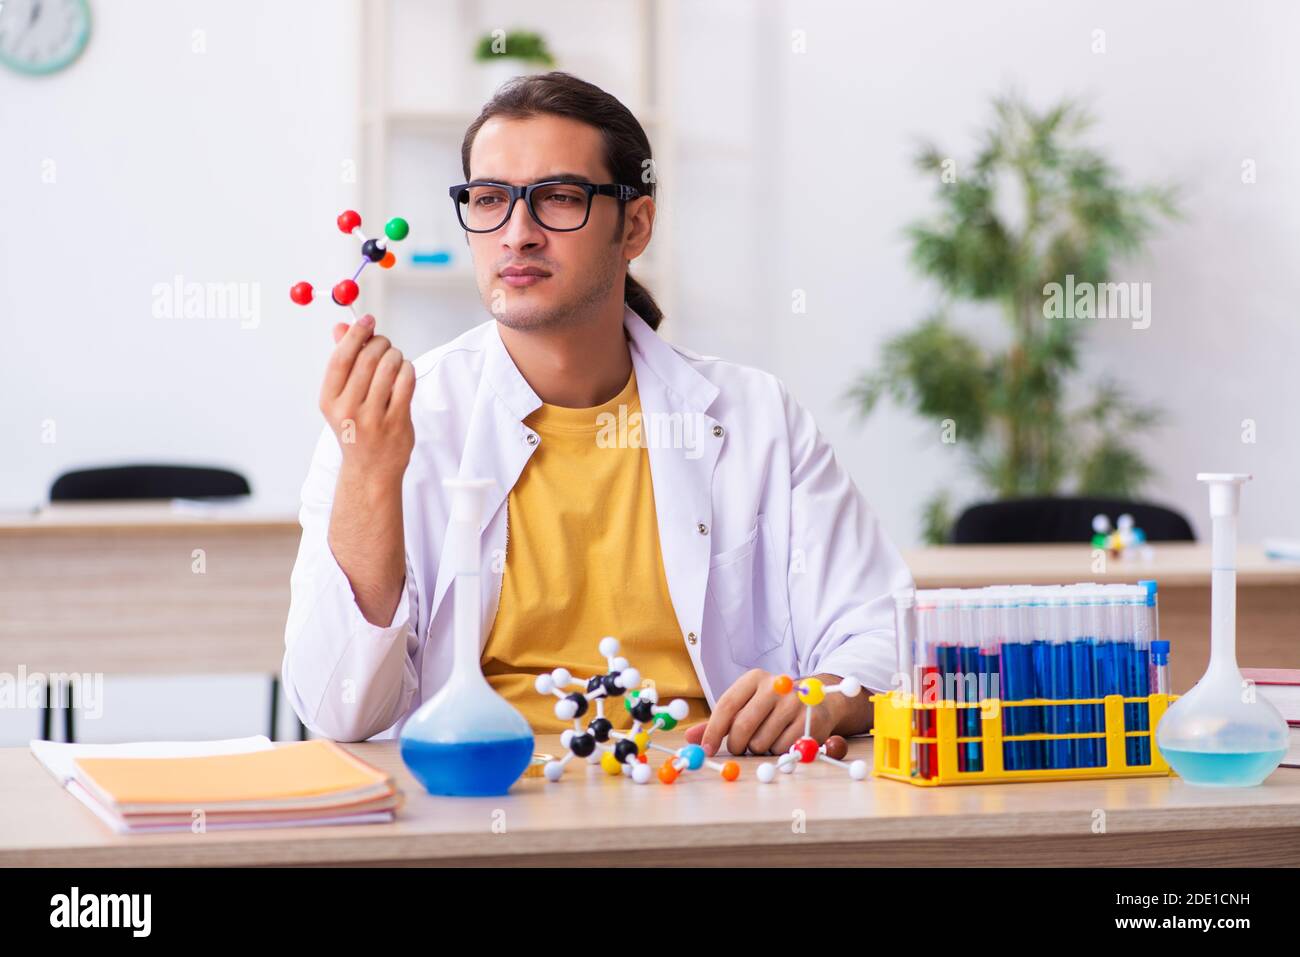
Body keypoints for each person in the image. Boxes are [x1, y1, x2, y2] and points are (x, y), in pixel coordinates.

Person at [283, 72, 913, 759]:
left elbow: (887, 635)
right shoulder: (396, 419)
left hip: (707, 798)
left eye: (558, 198)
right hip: (482, 804)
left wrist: (820, 698)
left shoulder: (758, 419)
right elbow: (338, 708)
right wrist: (372, 473)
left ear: (634, 225)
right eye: (489, 200)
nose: (516, 234)